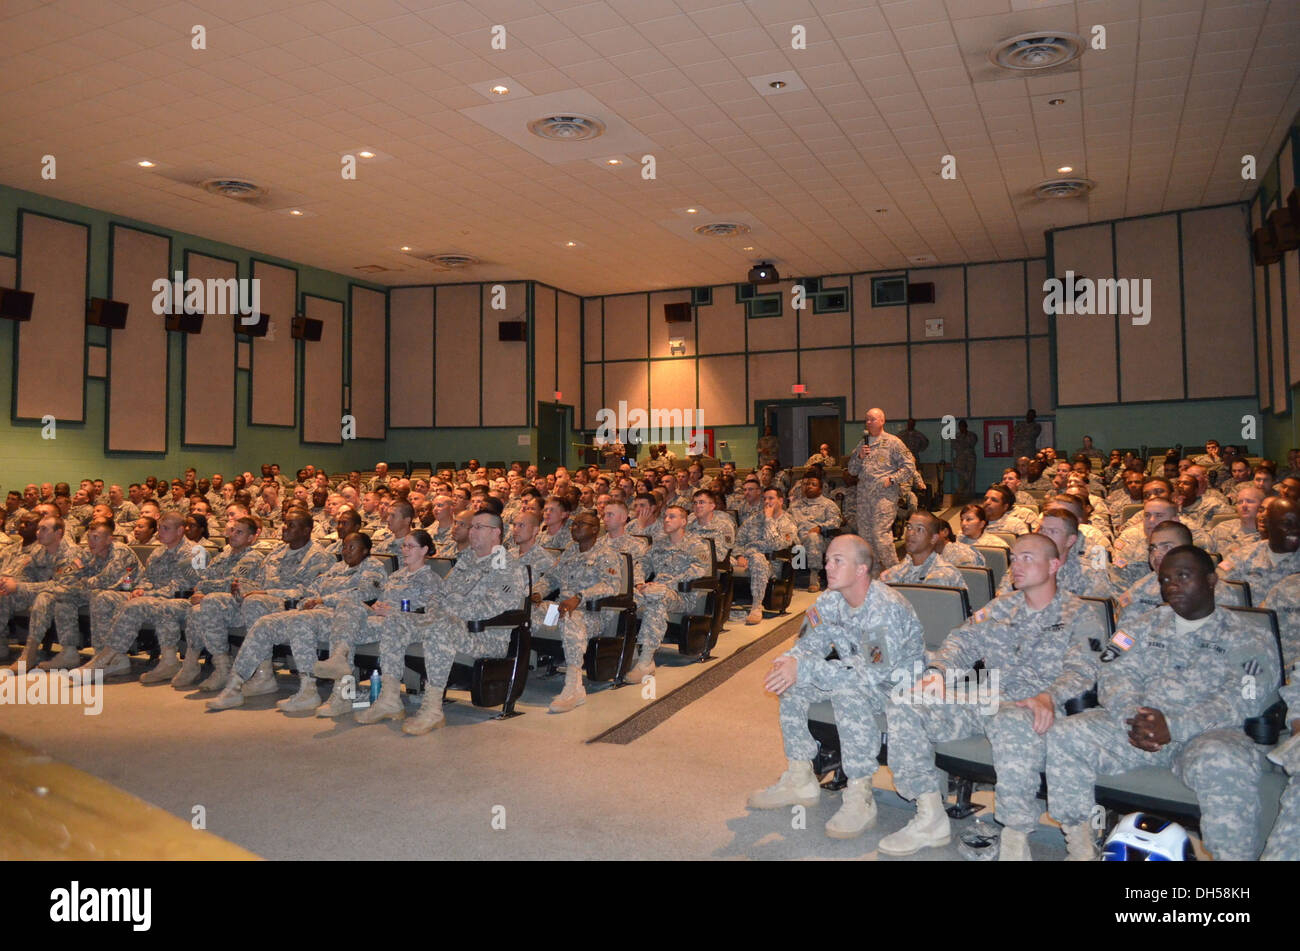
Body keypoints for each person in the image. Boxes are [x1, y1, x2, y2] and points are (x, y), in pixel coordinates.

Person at [879, 533, 1105, 861]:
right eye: (1014, 557)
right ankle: (930, 815)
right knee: (906, 702)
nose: (1016, 564)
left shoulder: (1079, 613)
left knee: (1011, 721)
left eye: (1028, 557)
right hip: (991, 696)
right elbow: (963, 640)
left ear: (1054, 564)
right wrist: (938, 673)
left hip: (1039, 707)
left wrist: (1049, 696)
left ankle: (1016, 832)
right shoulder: (1001, 606)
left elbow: (1084, 669)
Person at [1046, 546, 1280, 861]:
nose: (1171, 586)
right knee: (1067, 733)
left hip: (1208, 734)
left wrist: (1176, 726)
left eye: (1183, 576)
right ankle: (1080, 847)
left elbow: (1245, 698)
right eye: (1165, 579)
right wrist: (1135, 714)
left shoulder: (1249, 637)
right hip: (1136, 727)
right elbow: (1112, 670)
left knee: (1225, 762)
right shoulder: (1140, 626)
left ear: (1211, 580)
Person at [747, 535, 925, 838]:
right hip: (857, 675)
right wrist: (788, 662)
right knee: (793, 683)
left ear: (860, 569)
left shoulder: (884, 606)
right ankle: (801, 776)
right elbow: (807, 644)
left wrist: (804, 667)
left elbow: (871, 672)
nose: (827, 566)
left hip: (898, 686)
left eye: (837, 560)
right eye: (828, 559)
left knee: (846, 692)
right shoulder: (830, 599)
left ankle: (860, 793)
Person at [356, 512, 527, 734]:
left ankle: (433, 709)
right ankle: (390, 699)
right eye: (472, 527)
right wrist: (441, 608)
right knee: (396, 621)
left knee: (440, 627)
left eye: (478, 527)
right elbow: (440, 595)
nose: (471, 531)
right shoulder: (466, 561)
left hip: (484, 636)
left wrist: (449, 609)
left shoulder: (507, 565)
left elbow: (493, 607)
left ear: (496, 533)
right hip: (448, 622)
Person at [207, 533, 387, 713]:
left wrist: (323, 600)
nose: (346, 551)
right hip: (314, 613)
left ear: (365, 550)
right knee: (265, 623)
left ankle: (308, 690)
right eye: (344, 547)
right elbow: (310, 591)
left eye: (352, 547)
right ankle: (234, 686)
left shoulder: (372, 567)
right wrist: (307, 602)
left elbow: (365, 593)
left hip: (345, 617)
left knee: (299, 620)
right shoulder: (335, 568)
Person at [186, 512, 335, 692]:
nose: (284, 528)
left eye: (291, 525)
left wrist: (264, 592)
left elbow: (309, 592)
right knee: (211, 601)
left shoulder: (319, 556)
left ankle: (264, 675)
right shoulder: (277, 552)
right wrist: (242, 586)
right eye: (285, 523)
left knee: (254, 602)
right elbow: (258, 580)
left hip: (287, 605)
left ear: (306, 530)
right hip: (257, 600)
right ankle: (222, 666)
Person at [529, 512, 622, 713]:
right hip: (560, 609)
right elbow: (551, 578)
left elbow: (611, 587)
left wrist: (579, 597)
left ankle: (574, 687)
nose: (575, 527)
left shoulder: (607, 554)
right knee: (526, 612)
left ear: (596, 529)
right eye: (573, 524)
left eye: (581, 524)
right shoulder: (570, 550)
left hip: (592, 614)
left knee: (571, 619)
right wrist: (537, 592)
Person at [626, 505, 711, 681]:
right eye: (665, 516)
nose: (666, 520)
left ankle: (646, 661)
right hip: (654, 589)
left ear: (684, 521)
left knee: (658, 598)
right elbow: (641, 564)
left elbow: (698, 571)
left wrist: (664, 585)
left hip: (682, 595)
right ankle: (631, 652)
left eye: (672, 517)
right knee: (628, 598)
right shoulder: (659, 544)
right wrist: (640, 583)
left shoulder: (696, 544)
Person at [847, 408, 917, 573]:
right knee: (866, 537)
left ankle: (895, 573)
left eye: (873, 419)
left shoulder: (894, 443)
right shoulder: (862, 444)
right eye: (867, 420)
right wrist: (859, 457)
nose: (869, 423)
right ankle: (874, 574)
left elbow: (909, 467)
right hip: (864, 496)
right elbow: (851, 470)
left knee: (881, 535)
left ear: (882, 421)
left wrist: (892, 479)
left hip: (884, 496)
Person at [732, 488, 799, 624]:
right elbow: (738, 540)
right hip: (746, 557)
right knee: (720, 560)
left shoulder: (788, 522)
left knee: (757, 559)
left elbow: (776, 545)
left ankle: (756, 606)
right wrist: (739, 555)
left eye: (771, 498)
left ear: (780, 501)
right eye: (765, 499)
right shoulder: (754, 518)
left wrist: (769, 519)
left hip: (771, 563)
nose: (767, 502)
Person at [881, 512, 967, 589]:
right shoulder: (901, 568)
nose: (911, 533)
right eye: (909, 527)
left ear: (933, 538)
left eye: (919, 529)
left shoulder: (944, 573)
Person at [787, 476, 842, 592]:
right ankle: (794, 577)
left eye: (813, 484)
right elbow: (786, 520)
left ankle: (814, 576)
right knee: (793, 541)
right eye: (807, 484)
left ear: (820, 489)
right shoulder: (795, 505)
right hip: (799, 538)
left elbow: (836, 521)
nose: (809, 486)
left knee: (812, 538)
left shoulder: (828, 504)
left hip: (821, 539)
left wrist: (821, 527)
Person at [951, 420, 978, 501]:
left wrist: (963, 444)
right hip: (960, 459)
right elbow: (954, 446)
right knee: (962, 476)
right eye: (960, 426)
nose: (962, 428)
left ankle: (970, 494)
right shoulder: (956, 436)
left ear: (966, 426)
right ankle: (961, 493)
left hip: (970, 458)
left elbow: (972, 443)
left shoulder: (972, 435)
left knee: (971, 476)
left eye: (963, 426)